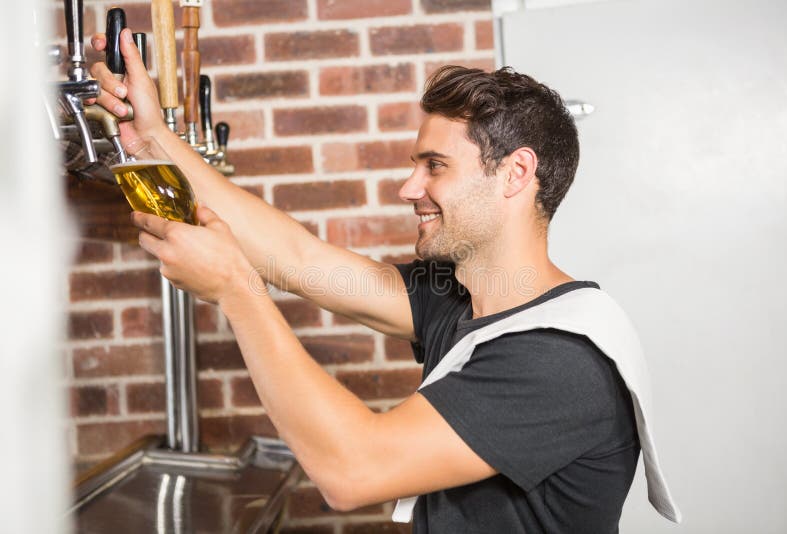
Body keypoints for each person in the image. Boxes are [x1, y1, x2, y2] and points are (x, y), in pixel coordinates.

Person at [88, 28, 650, 533]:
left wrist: (237, 288)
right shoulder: (460, 296)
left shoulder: (560, 357)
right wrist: (155, 139)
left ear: (515, 174)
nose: (408, 188)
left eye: (434, 166)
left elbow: (354, 470)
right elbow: (297, 259)